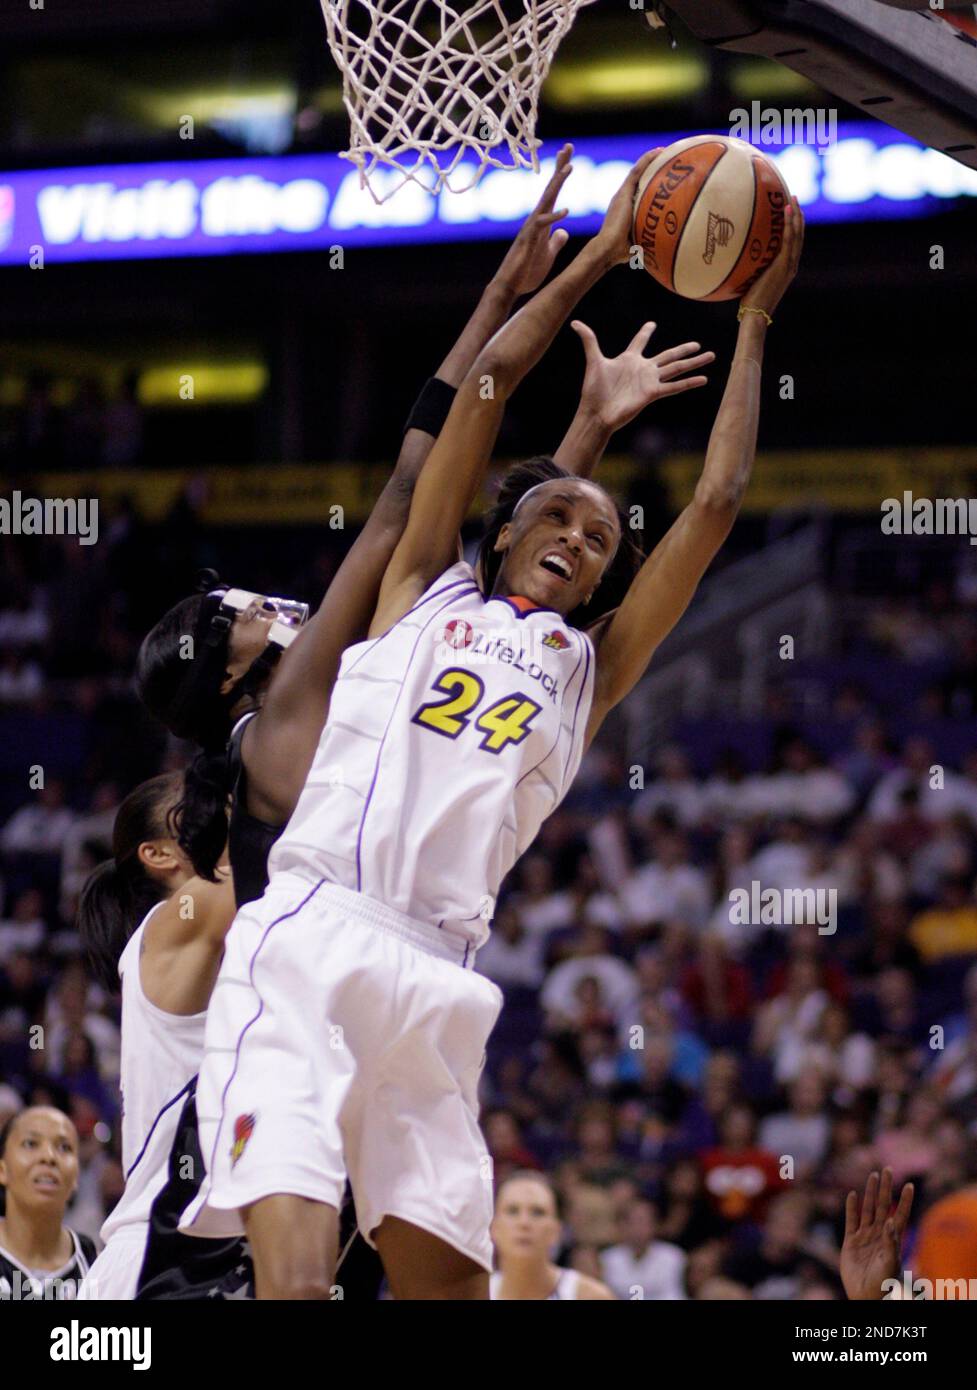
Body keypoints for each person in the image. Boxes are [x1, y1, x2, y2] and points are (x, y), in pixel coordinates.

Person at [181, 144, 803, 1300]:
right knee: (297, 1284)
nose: (579, 530)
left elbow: (714, 506)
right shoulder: (425, 582)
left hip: (442, 976)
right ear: (504, 530)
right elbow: (483, 387)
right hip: (313, 941)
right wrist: (603, 255)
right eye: (557, 509)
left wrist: (755, 316)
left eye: (601, 533)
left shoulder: (590, 670)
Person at [75, 772, 247, 1300]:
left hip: (207, 1251)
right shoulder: (173, 921)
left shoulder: (231, 936)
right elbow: (280, 860)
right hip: (159, 1259)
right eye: (193, 802)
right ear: (160, 854)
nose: (217, 801)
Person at [0, 1105, 95, 1300]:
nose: (49, 1157)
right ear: (2, 1170)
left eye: (64, 1147)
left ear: (76, 1176)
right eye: (31, 1144)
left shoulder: (95, 1265)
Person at [490, 1171, 614, 1300]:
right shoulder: (474, 1294)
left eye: (538, 1212)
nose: (524, 1223)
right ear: (494, 1227)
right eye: (512, 1211)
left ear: (557, 1230)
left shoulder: (590, 1296)